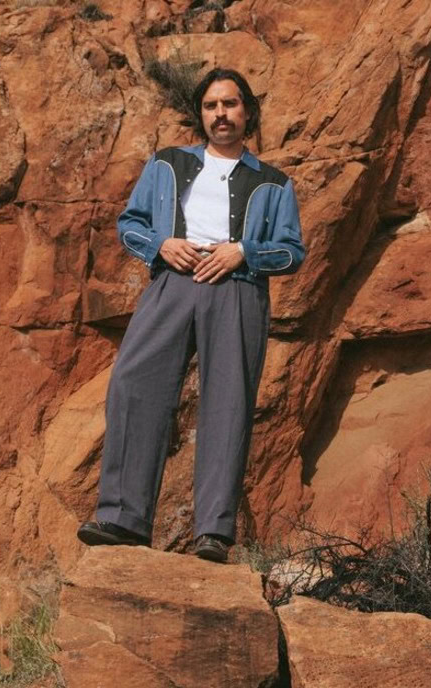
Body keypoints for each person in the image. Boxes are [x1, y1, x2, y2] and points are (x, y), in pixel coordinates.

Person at [78, 67, 306, 563]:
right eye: (210, 106)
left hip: (237, 290)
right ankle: (123, 517)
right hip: (172, 282)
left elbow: (292, 251)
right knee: (134, 384)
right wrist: (163, 243)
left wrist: (244, 252)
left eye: (229, 104)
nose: (220, 114)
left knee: (228, 403)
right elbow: (131, 223)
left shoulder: (273, 183)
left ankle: (213, 532)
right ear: (200, 114)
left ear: (247, 112)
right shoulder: (166, 164)